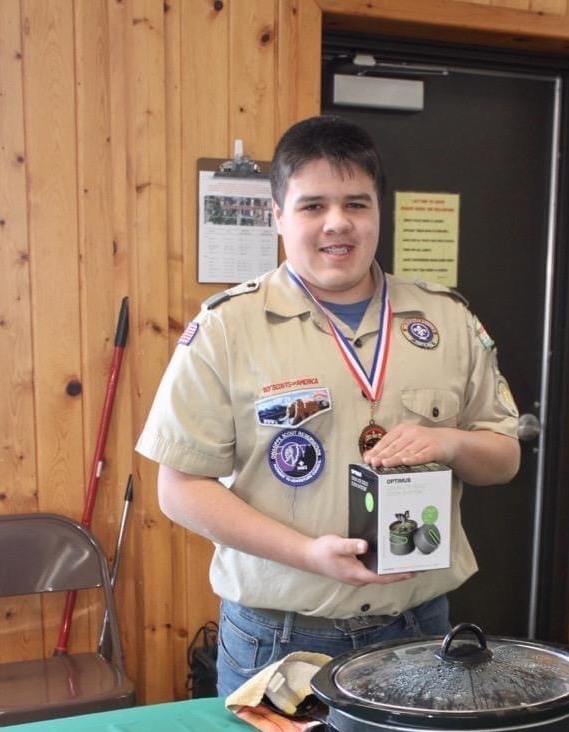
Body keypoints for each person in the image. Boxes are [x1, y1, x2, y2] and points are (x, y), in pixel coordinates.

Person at [136, 115, 520, 697]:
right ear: (278, 216)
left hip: (418, 628)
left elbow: (504, 457)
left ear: (378, 212)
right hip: (280, 637)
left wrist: (450, 442)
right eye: (313, 205)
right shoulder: (227, 330)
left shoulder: (447, 321)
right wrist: (308, 554)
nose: (337, 223)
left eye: (356, 204)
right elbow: (180, 488)